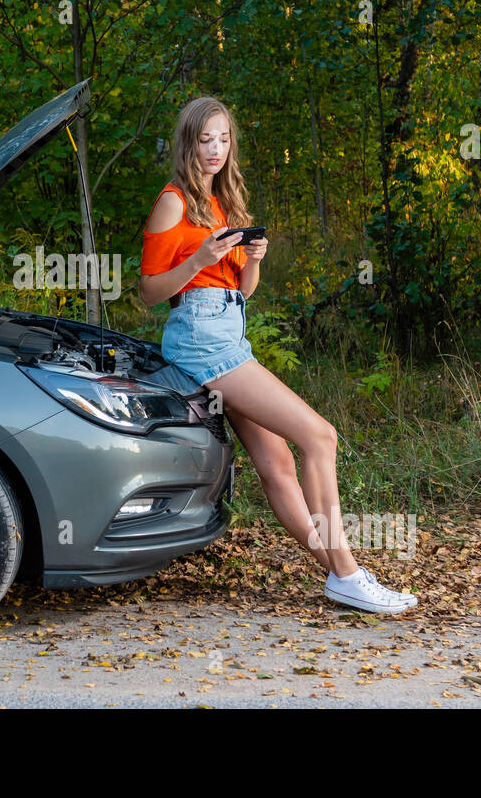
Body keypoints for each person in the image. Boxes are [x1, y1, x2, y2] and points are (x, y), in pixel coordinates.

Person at [139, 95, 418, 614]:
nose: (215, 149)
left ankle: (340, 573)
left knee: (277, 462)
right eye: (205, 139)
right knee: (320, 435)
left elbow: (241, 293)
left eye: (223, 139)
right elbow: (151, 291)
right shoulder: (173, 201)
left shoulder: (225, 201)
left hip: (228, 329)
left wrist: (254, 262)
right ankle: (349, 573)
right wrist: (200, 256)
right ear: (188, 143)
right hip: (201, 339)